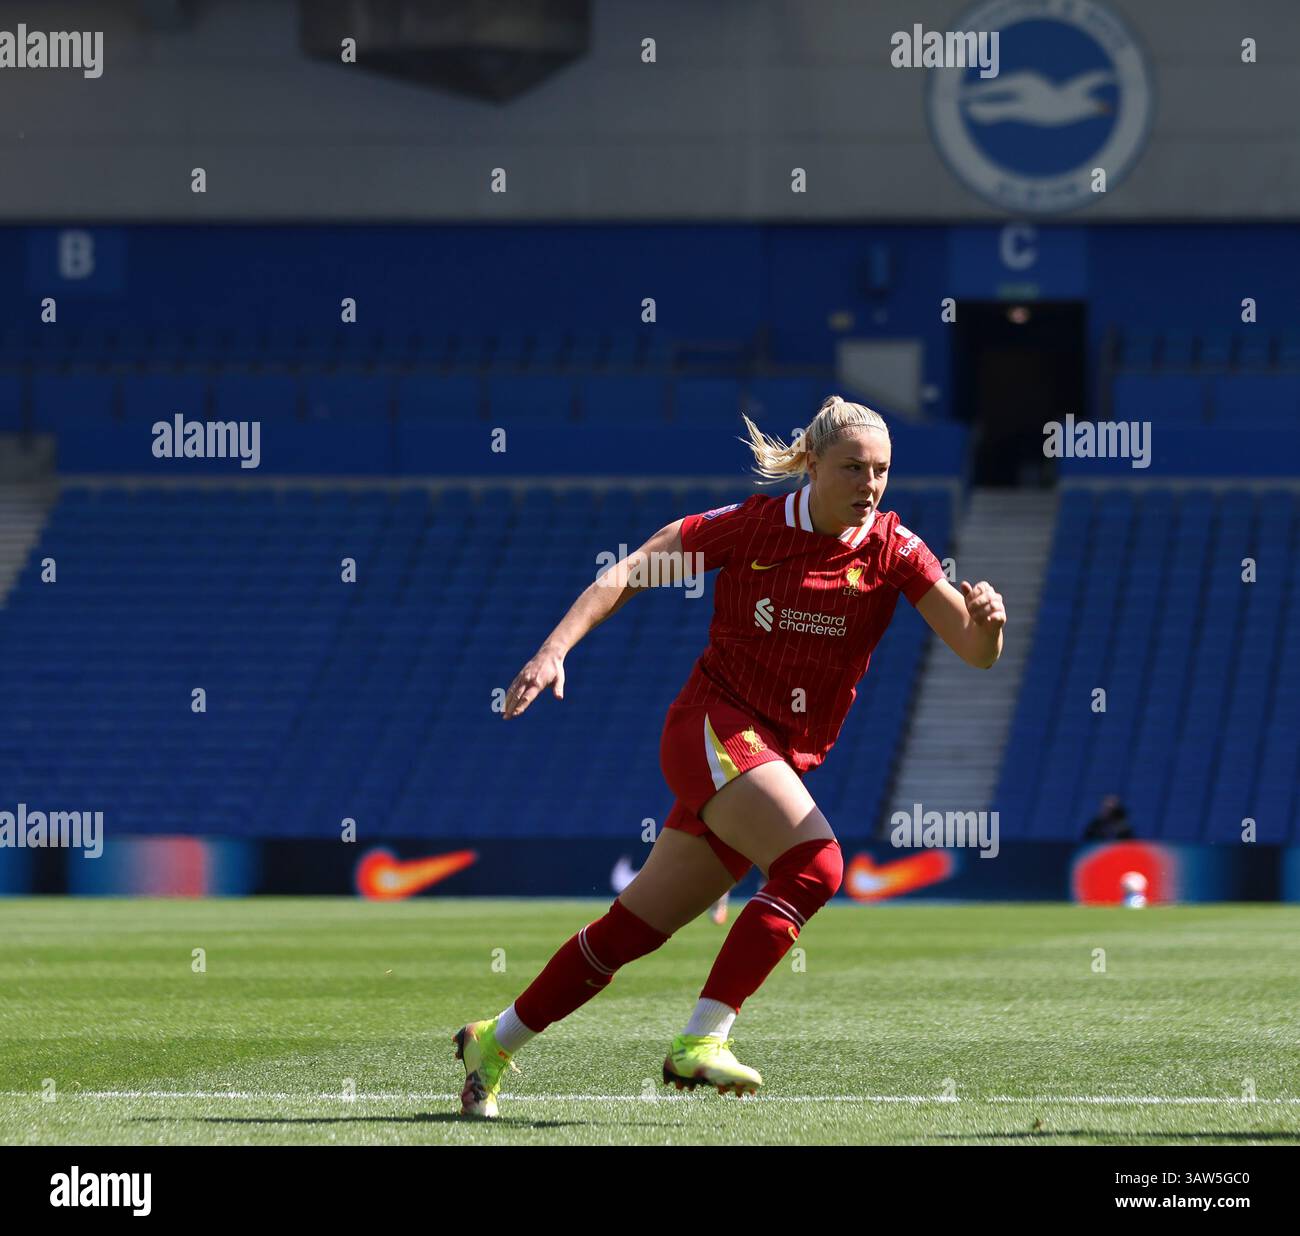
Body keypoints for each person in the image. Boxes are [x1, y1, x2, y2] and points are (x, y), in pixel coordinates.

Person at [452, 394, 1007, 1117]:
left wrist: (991, 627)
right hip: (711, 727)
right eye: (852, 469)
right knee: (816, 863)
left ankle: (493, 1041)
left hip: (769, 757)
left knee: (630, 931)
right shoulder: (750, 528)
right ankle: (701, 1042)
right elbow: (627, 572)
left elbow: (973, 650)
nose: (870, 486)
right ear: (811, 464)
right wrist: (553, 649)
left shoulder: (896, 550)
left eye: (881, 472)